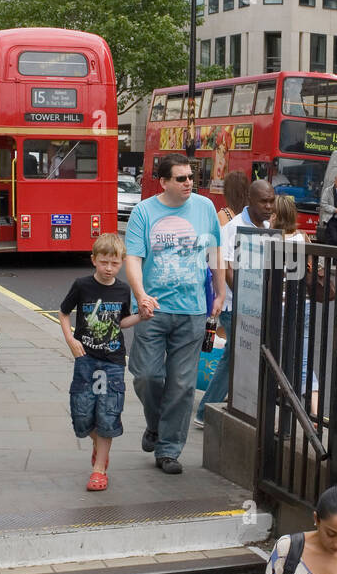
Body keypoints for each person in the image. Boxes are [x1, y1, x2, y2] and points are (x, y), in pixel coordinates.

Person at [124, 153, 225, 474]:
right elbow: (134, 258)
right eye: (180, 178)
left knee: (181, 385)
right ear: (163, 181)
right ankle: (155, 425)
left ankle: (168, 449)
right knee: (147, 376)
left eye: (191, 178)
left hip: (193, 311)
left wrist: (221, 291)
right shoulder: (144, 212)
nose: (188, 184)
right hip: (152, 311)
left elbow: (214, 251)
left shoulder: (205, 208)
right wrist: (140, 295)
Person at [59, 233, 148, 492]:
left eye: (115, 263)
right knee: (82, 416)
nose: (109, 268)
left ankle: (99, 469)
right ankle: (99, 447)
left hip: (112, 361)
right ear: (94, 261)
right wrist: (70, 340)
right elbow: (64, 313)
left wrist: (141, 317)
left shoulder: (122, 289)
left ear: (121, 264)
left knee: (108, 414)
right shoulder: (81, 285)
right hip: (86, 360)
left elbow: (121, 322)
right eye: (104, 262)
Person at [194, 179, 274, 429]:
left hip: (257, 303)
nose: (269, 206)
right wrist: (244, 295)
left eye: (272, 201)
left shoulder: (268, 226)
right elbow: (225, 266)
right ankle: (208, 411)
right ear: (251, 200)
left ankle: (230, 406)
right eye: (264, 201)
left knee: (239, 356)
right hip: (234, 305)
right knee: (235, 356)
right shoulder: (233, 227)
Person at [271, 194, 320, 417]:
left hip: (279, 306)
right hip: (304, 303)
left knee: (276, 355)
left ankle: (284, 403)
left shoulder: (271, 240)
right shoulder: (303, 238)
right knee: (303, 356)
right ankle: (315, 411)